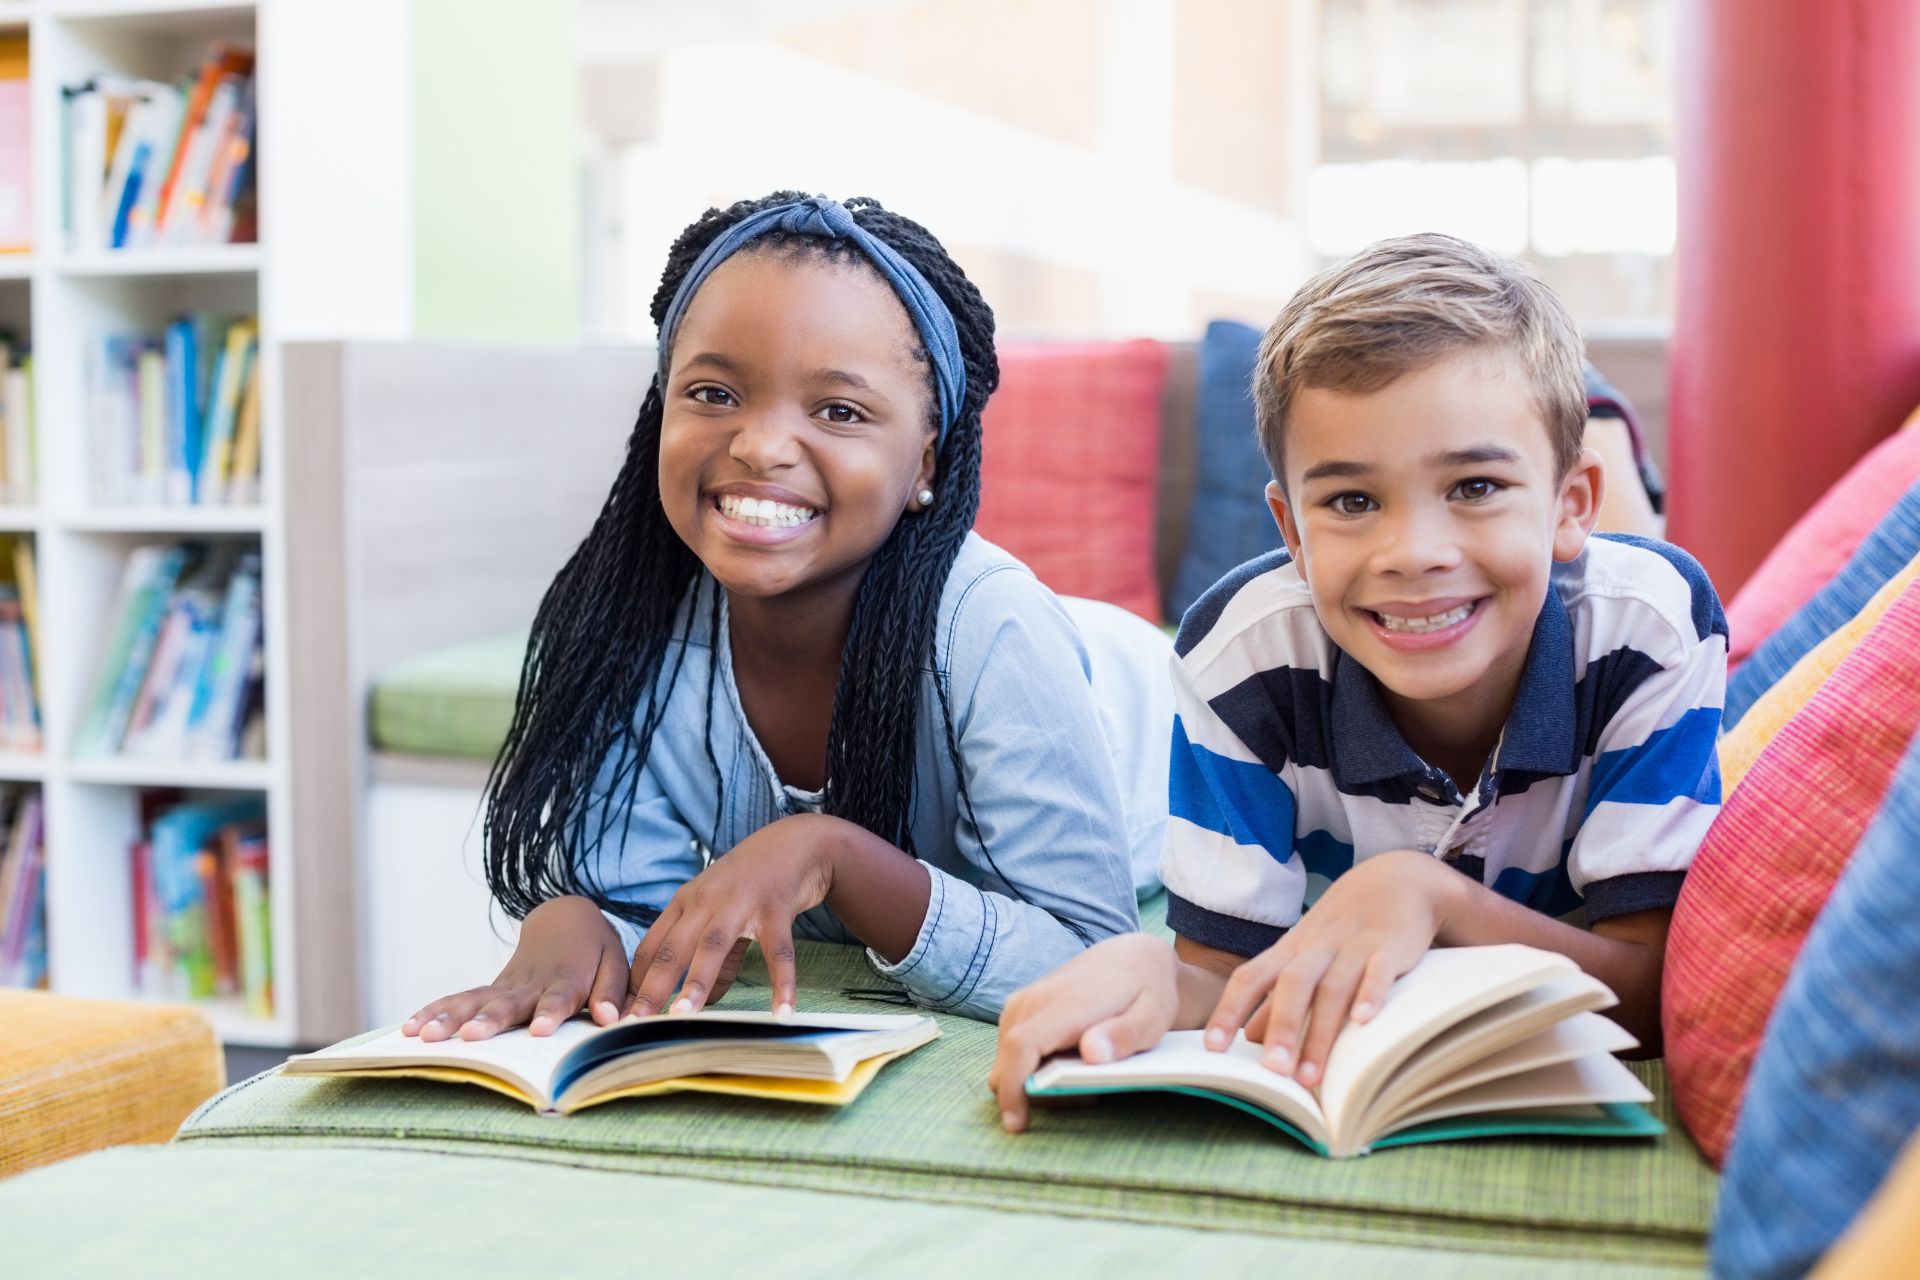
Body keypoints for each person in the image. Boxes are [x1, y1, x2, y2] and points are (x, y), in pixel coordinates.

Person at [991, 233, 1726, 1131]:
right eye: (1350, 502)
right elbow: (1226, 977)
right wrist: (1153, 977)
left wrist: (1428, 895)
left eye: (1476, 486)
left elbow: (1658, 1001)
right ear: (1291, 531)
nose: (1413, 554)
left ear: (1573, 503)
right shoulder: (1240, 659)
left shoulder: (1649, 628)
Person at [404, 192, 1170, 1040]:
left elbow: (1092, 957)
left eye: (838, 410)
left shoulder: (994, 629)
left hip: (1141, 716)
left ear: (926, 458)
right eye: (713, 392)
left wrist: (830, 855)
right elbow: (636, 894)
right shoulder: (632, 623)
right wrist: (578, 920)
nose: (761, 445)